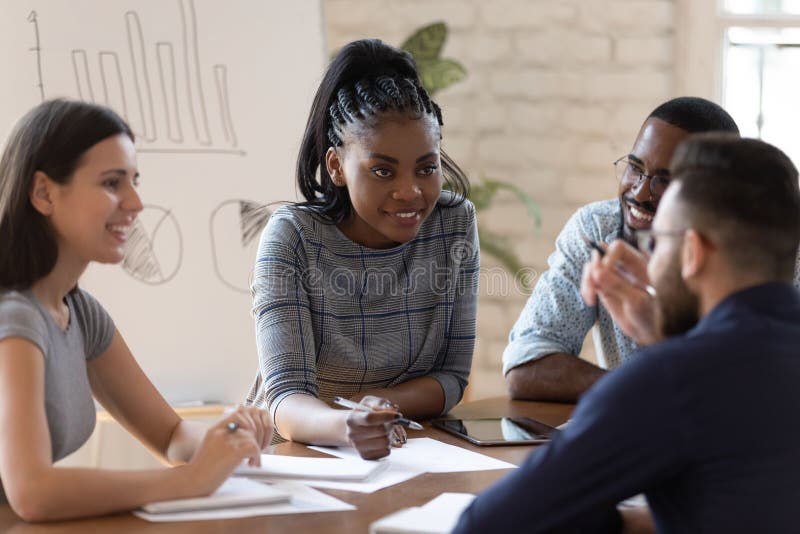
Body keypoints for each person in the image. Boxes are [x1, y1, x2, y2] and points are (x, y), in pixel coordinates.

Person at [454, 134, 800, 533]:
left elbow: (485, 525)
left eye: (658, 241)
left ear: (692, 252)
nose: (648, 258)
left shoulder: (670, 383)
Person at [0, 99, 273, 522]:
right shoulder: (14, 317)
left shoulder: (79, 312)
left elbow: (169, 434)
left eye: (133, 181)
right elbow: (32, 492)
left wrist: (228, 441)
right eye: (112, 183)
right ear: (43, 193)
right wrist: (190, 481)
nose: (135, 203)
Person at [244, 39, 479, 460]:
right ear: (336, 166)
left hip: (401, 452)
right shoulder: (293, 237)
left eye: (427, 168)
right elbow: (285, 399)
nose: (410, 192)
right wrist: (348, 424)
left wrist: (379, 410)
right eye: (382, 171)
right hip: (296, 458)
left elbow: (451, 378)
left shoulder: (454, 225)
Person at [503, 97, 743, 402]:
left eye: (665, 181)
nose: (640, 192)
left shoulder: (766, 253)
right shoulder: (597, 229)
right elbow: (524, 364)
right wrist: (639, 388)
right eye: (635, 167)